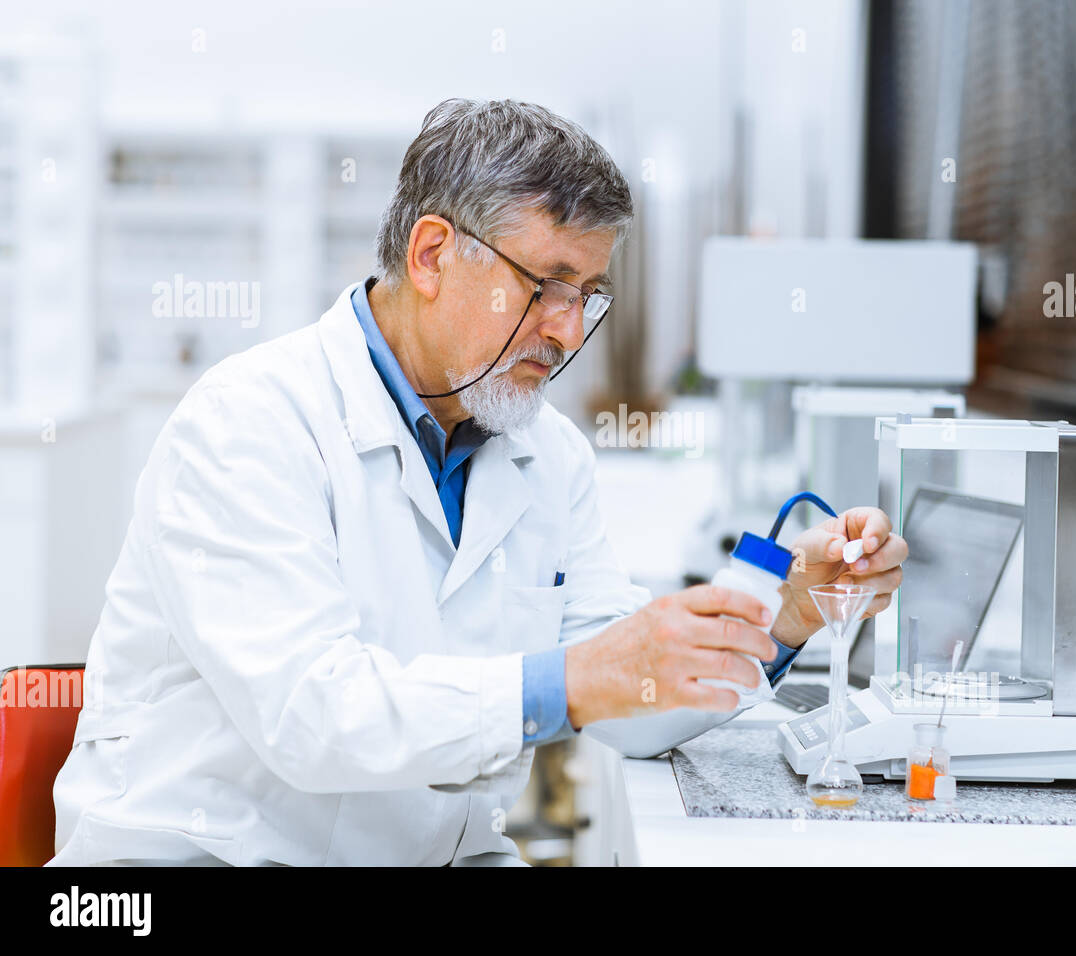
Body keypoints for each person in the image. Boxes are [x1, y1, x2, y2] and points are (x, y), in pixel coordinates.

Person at [49, 99, 906, 866]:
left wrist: (786, 611)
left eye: (589, 295)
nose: (569, 332)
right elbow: (315, 718)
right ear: (431, 254)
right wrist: (571, 680)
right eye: (544, 287)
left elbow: (627, 707)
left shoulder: (550, 455)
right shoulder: (249, 422)